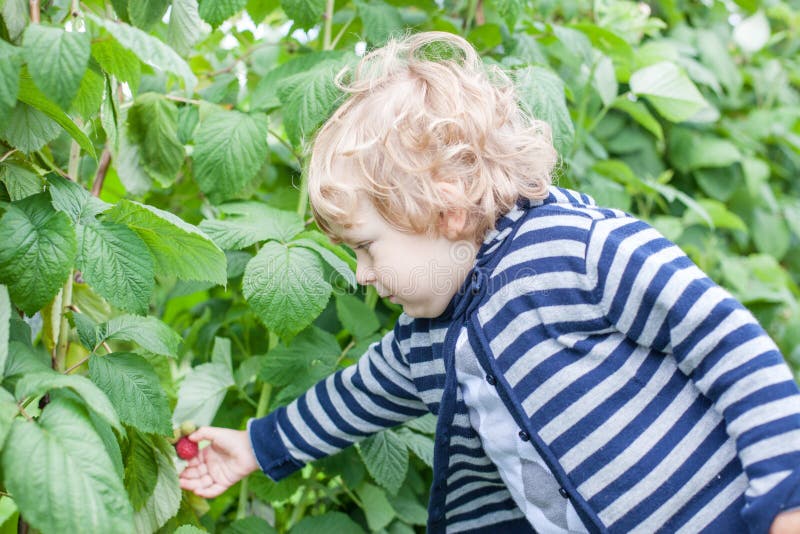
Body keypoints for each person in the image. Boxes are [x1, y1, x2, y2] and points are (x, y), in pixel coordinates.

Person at [179, 31, 800, 533]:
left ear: (443, 204)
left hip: (726, 514)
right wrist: (258, 445)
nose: (363, 274)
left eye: (368, 247)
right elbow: (356, 396)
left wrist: (785, 494)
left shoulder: (578, 249)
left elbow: (728, 346)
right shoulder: (425, 338)